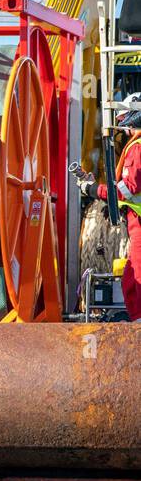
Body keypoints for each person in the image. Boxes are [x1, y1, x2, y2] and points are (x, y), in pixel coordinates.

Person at [84, 91, 141, 320]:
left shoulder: (137, 147)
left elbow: (127, 189)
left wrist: (94, 191)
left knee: (137, 280)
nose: (122, 123)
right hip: (135, 224)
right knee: (130, 280)